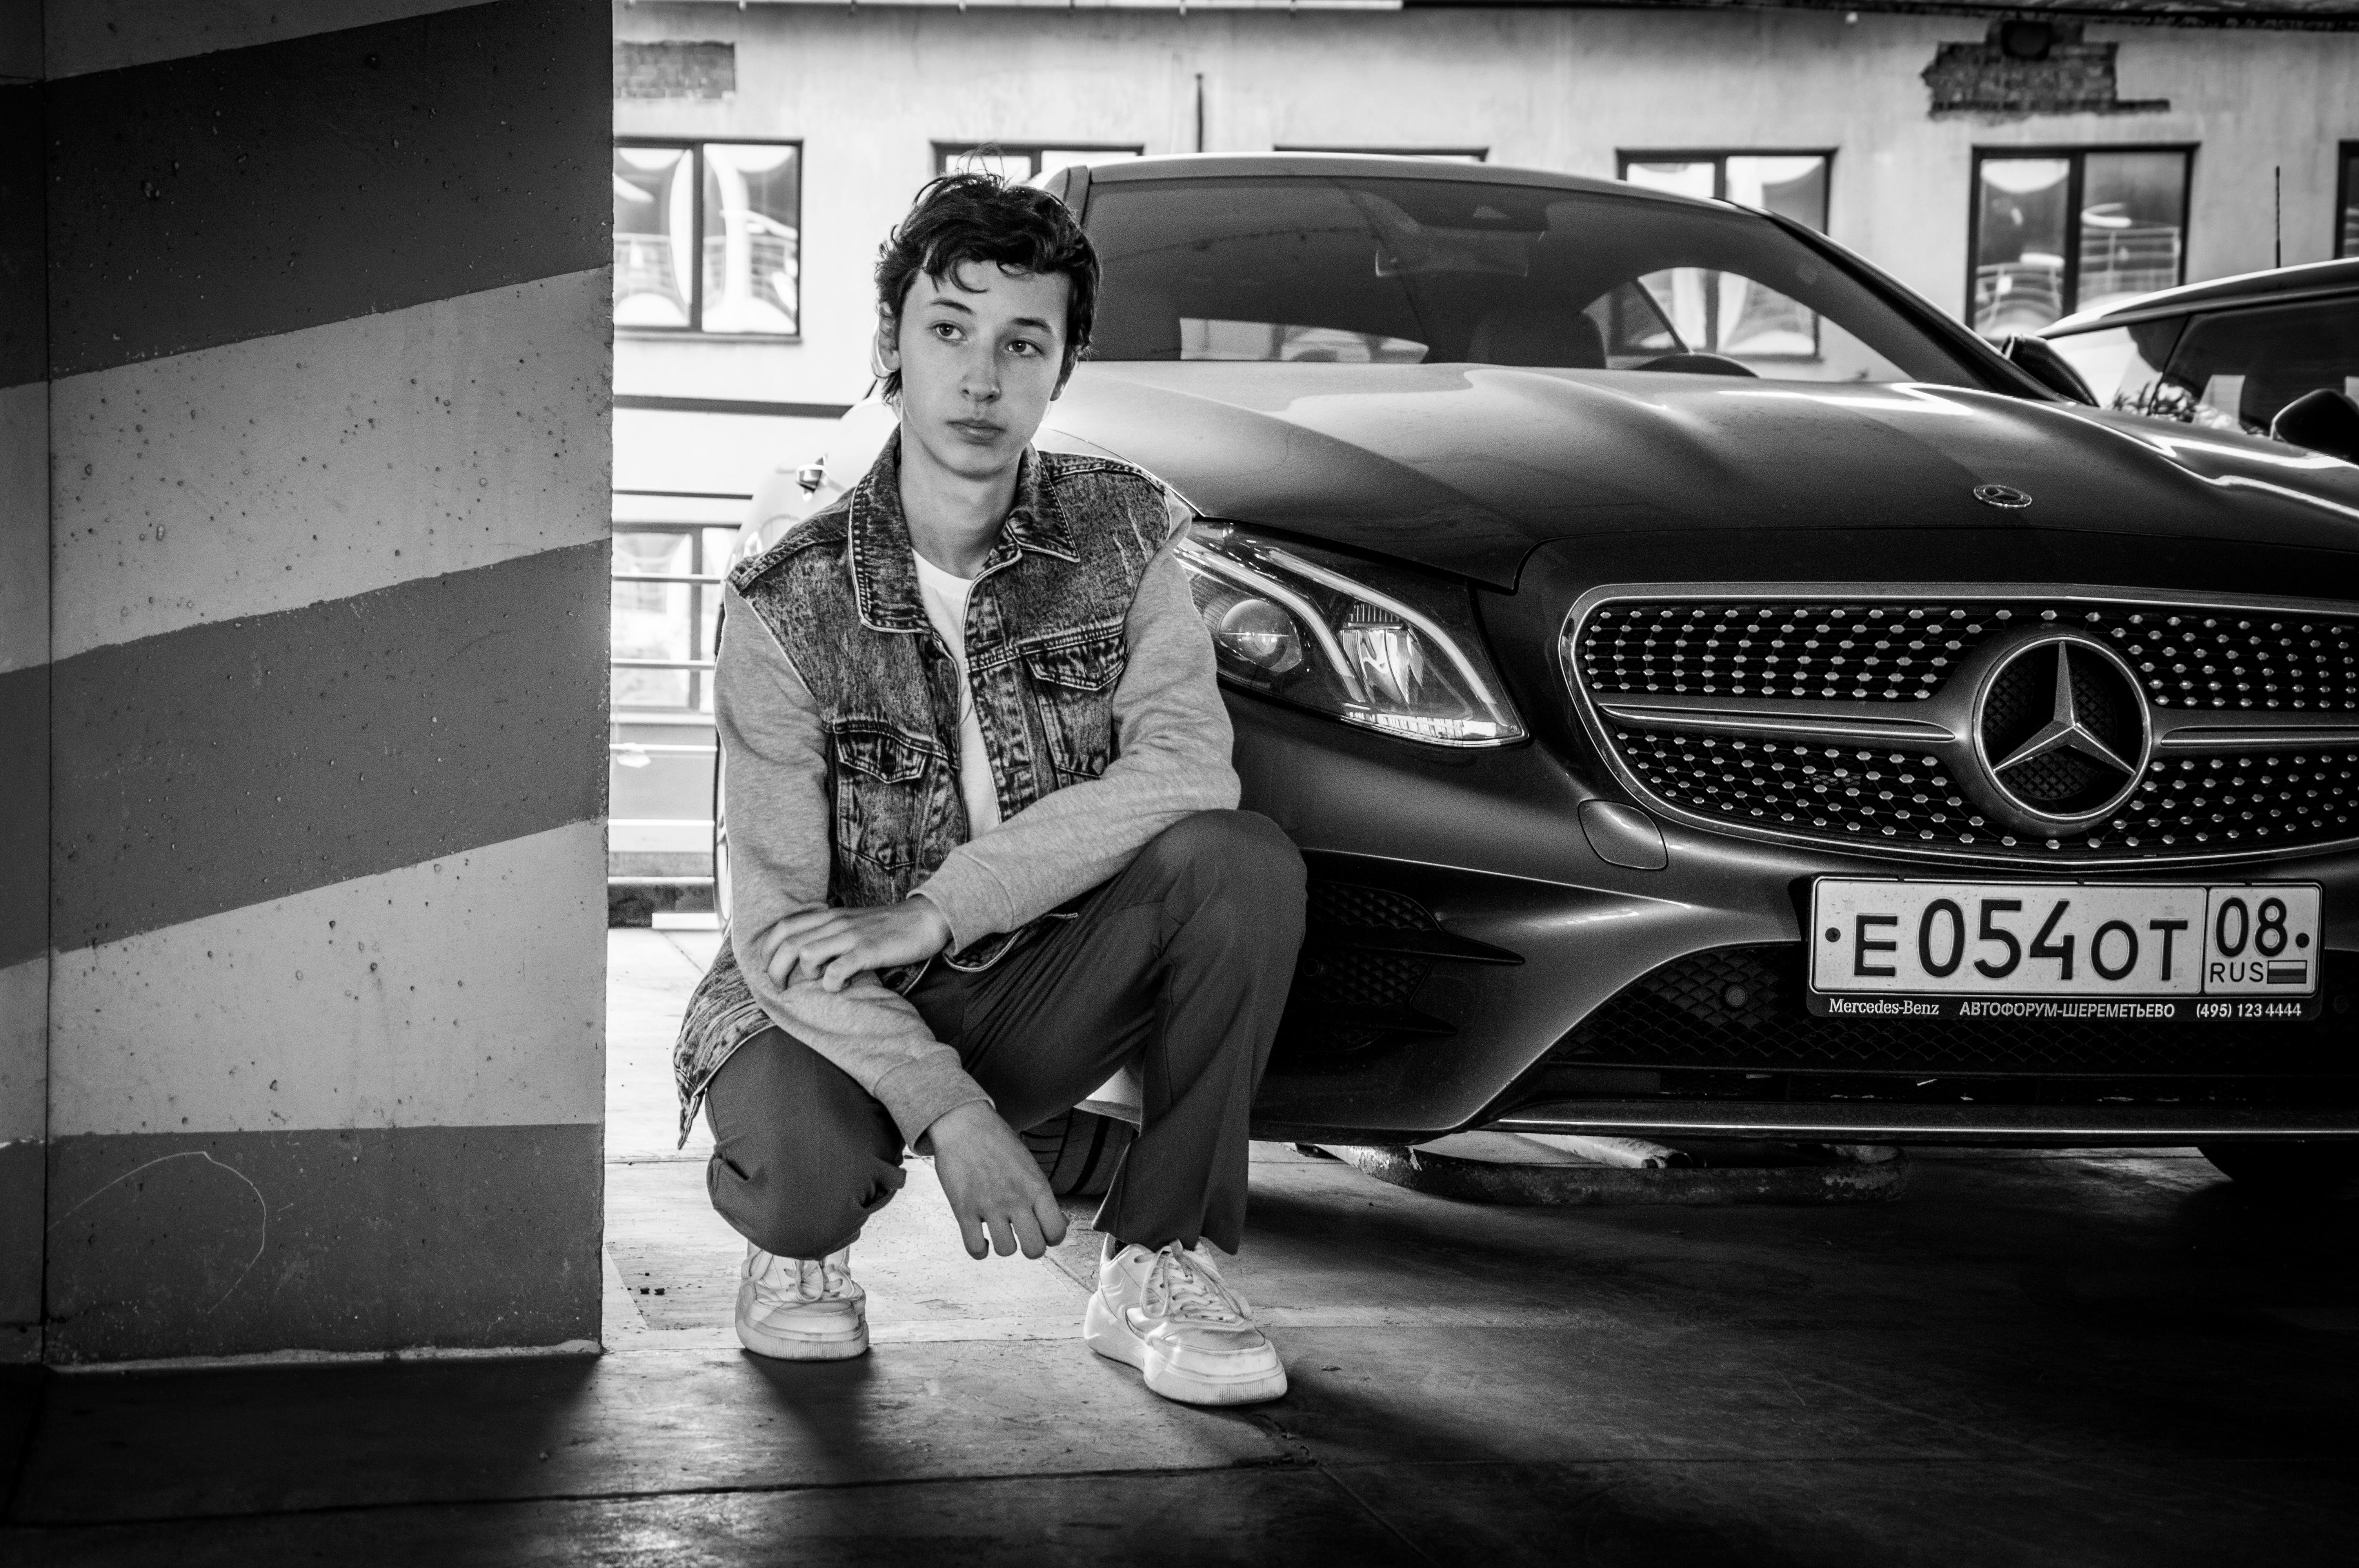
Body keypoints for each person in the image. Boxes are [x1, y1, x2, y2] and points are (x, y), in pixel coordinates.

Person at [672, 172, 1306, 1406]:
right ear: (890, 346)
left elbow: (1185, 769)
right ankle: (813, 1249)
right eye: (949, 331)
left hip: (1033, 969)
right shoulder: (786, 601)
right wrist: (952, 1115)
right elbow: (774, 926)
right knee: (802, 1184)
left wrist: (940, 910)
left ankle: (1152, 1254)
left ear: (1062, 367)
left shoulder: (1126, 533)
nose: (981, 377)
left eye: (1025, 342)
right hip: (826, 999)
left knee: (1240, 859)